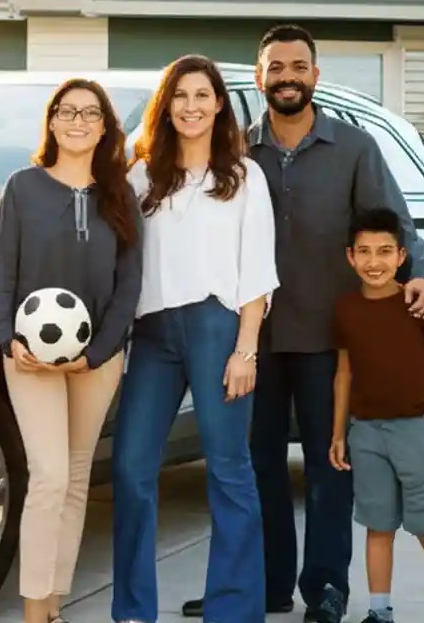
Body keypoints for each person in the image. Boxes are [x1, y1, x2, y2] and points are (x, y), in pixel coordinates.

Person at [245, 24, 424, 623]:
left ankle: (326, 590)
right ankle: (266, 584)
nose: (287, 76)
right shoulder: (237, 150)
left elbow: (393, 221)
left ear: (315, 76)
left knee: (331, 467)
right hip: (251, 339)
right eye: (276, 66)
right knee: (256, 468)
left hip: (329, 339)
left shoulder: (355, 149)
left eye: (298, 66)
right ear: (261, 78)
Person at [111, 54, 279, 623]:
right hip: (153, 333)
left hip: (218, 327)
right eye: (179, 96)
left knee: (229, 469)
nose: (191, 106)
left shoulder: (243, 176)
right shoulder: (142, 178)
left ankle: (233, 610)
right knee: (133, 469)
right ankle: (133, 609)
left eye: (202, 95)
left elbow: (256, 269)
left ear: (218, 105)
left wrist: (245, 349)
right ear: (166, 106)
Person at [0, 78, 144, 623]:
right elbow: (0, 272)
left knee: (77, 476)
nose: (79, 121)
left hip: (97, 360)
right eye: (67, 111)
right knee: (49, 474)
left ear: (105, 128)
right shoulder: (22, 188)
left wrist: (97, 352)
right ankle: (34, 609)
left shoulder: (121, 197)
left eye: (91, 113)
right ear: (52, 121)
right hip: (29, 358)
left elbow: (129, 287)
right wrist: (7, 339)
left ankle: (55, 599)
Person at [329, 208, 424, 623]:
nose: (375, 261)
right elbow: (344, 374)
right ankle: (379, 611)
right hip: (366, 433)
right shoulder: (346, 310)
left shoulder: (417, 304)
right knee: (378, 526)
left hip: (414, 430)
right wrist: (339, 433)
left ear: (401, 255)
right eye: (365, 252)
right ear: (350, 257)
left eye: (385, 251)